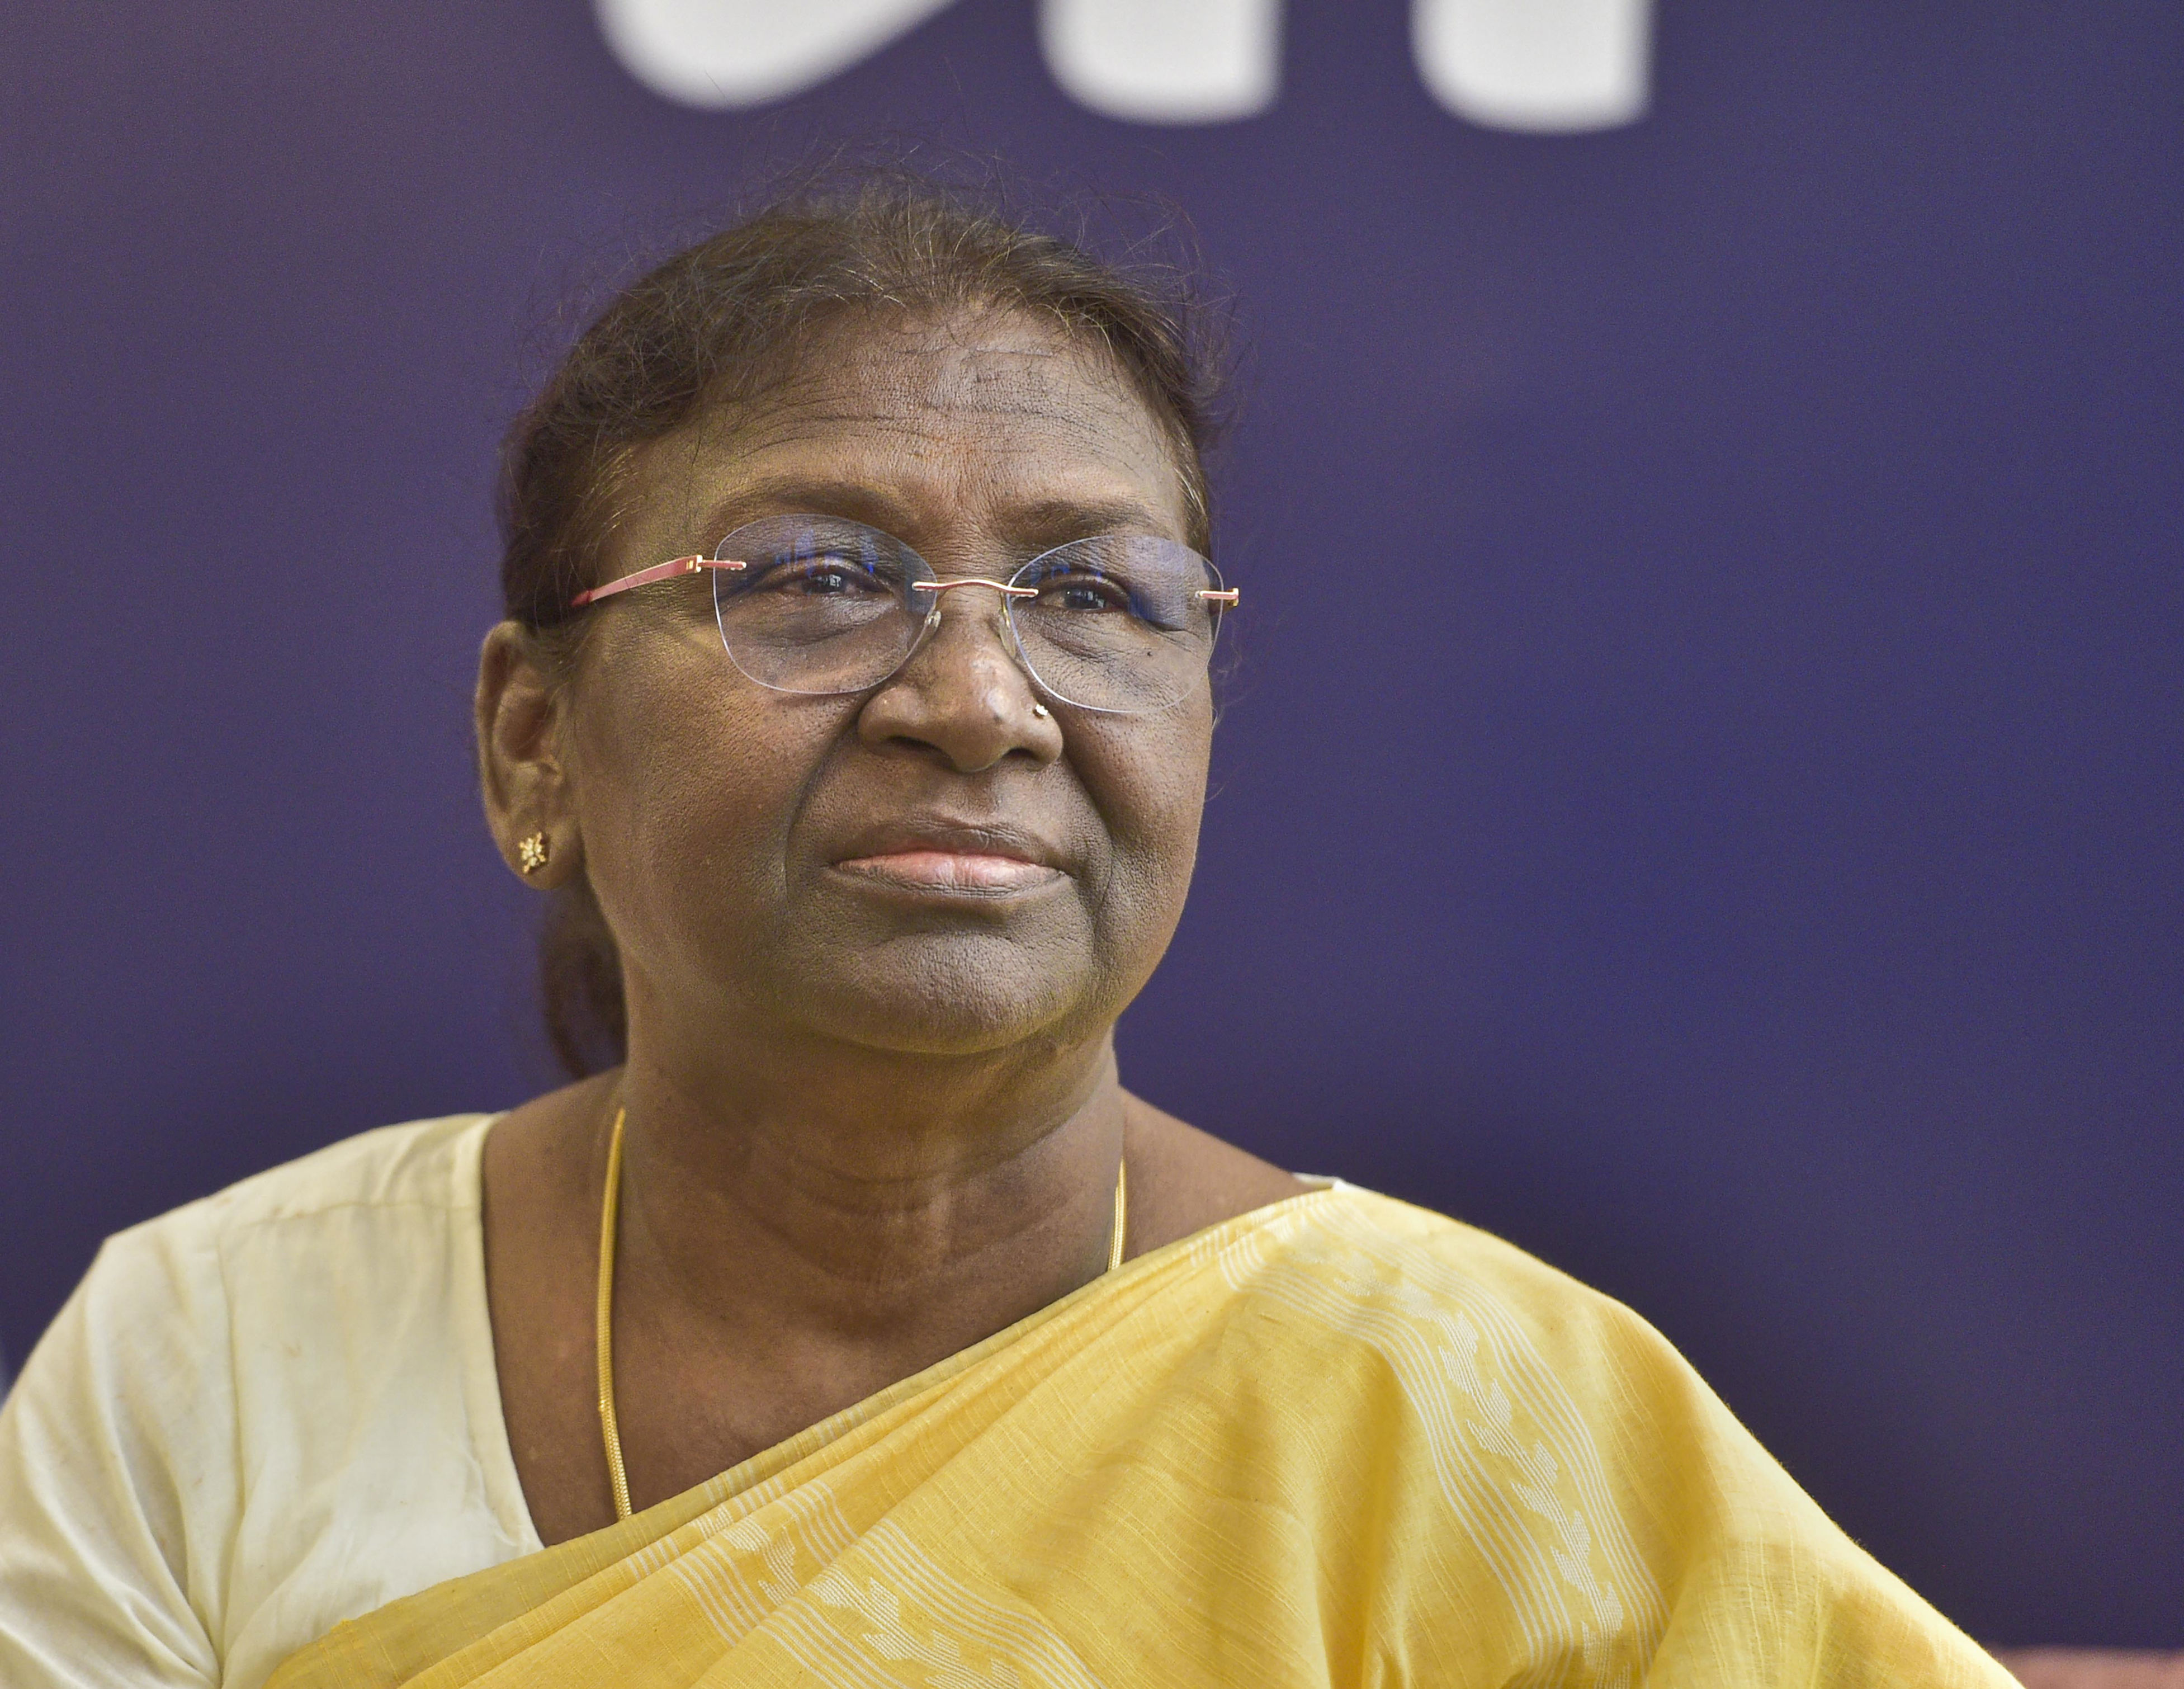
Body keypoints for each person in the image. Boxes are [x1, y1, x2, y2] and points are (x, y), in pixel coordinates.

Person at [0, 179, 2013, 1688]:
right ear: (536, 739)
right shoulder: (214, 1357)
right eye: (814, 580)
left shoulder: (1482, 1415)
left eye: (1096, 596)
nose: (977, 699)